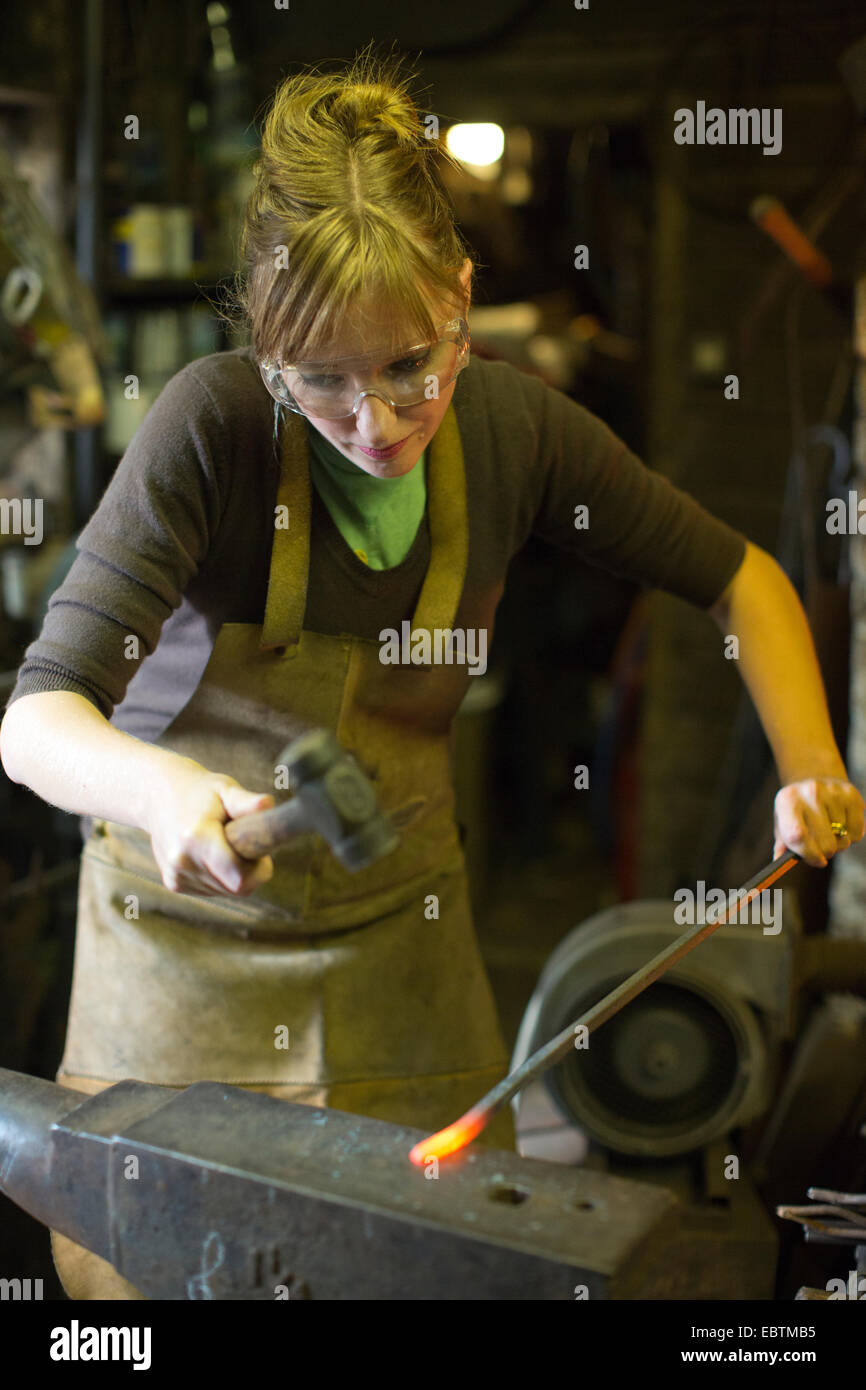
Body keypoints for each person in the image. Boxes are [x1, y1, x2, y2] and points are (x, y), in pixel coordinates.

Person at [1, 50, 862, 1301]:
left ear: (460, 296)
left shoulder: (512, 430)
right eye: (323, 382)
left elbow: (745, 580)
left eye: (411, 364)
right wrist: (159, 792)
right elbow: (36, 720)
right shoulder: (212, 430)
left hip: (399, 947)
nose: (376, 421)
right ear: (262, 345)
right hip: (175, 959)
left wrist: (808, 769)